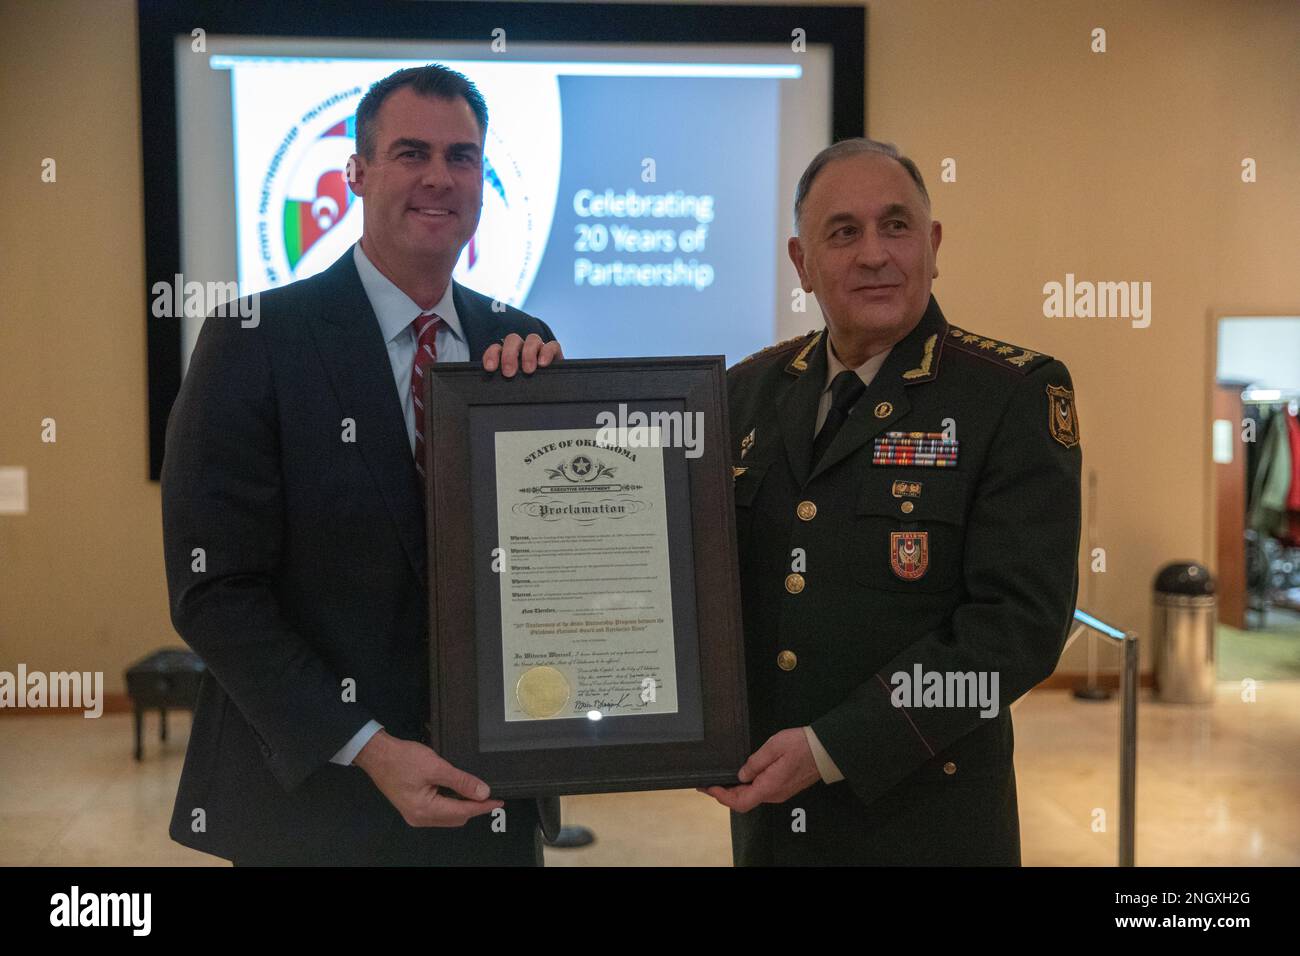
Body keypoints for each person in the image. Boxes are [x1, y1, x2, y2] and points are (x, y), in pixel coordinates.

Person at [161, 64, 562, 865]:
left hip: (490, 802)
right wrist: (371, 748)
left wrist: (557, 424)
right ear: (356, 172)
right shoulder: (252, 340)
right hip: (313, 807)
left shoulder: (520, 346)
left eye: (462, 157)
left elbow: (549, 568)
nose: (439, 178)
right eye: (411, 153)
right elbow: (214, 592)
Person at [703, 138, 1082, 865]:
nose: (874, 254)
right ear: (801, 262)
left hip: (930, 824)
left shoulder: (1009, 395)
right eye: (843, 232)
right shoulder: (744, 393)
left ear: (933, 246)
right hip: (774, 824)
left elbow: (1019, 630)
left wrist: (834, 747)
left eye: (896, 226)